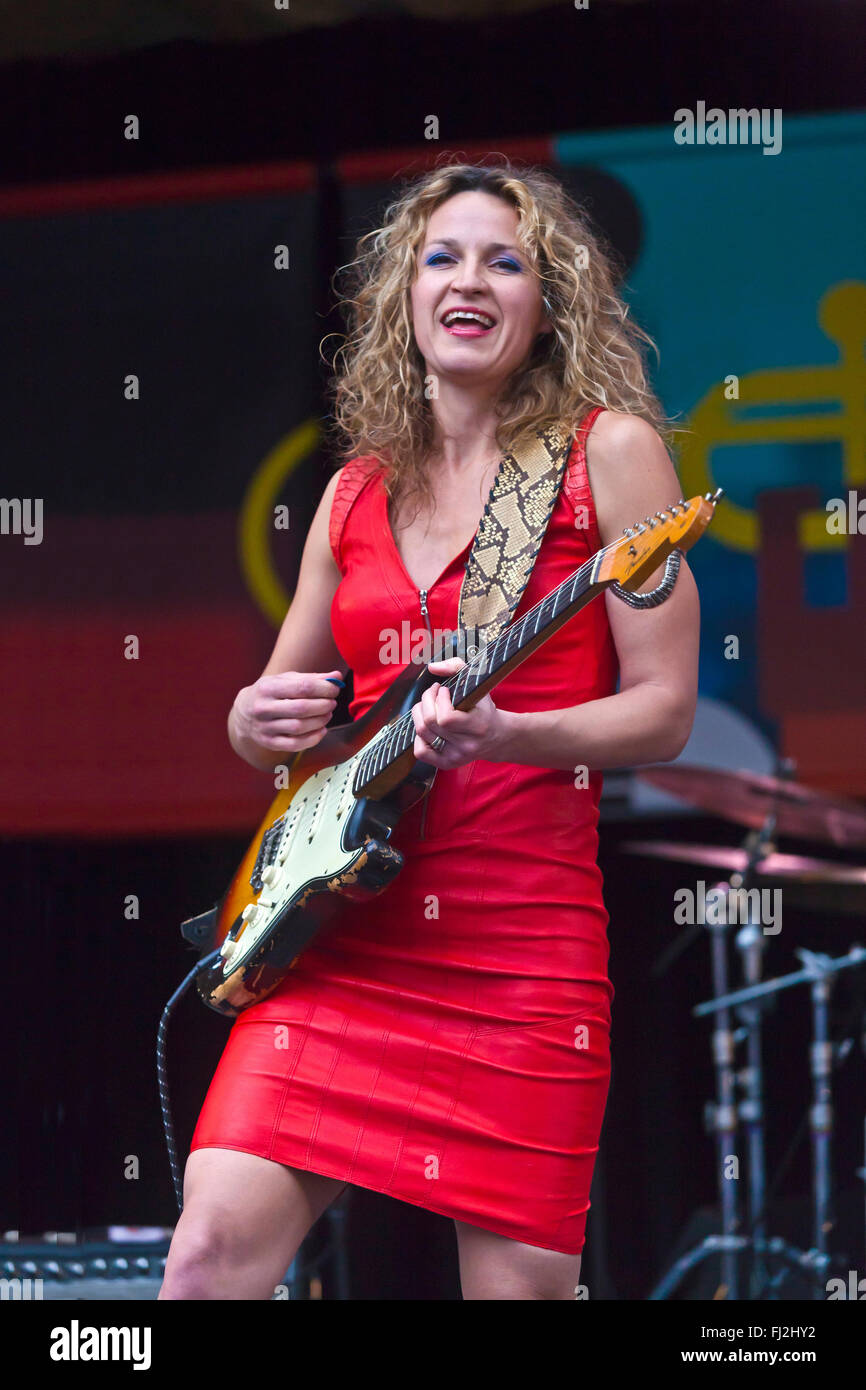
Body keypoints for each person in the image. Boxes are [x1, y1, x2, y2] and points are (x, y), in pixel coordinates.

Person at [159, 161, 699, 1301]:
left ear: (546, 303)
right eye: (441, 257)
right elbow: (274, 719)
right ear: (402, 297)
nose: (470, 279)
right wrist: (251, 719)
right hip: (340, 939)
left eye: (505, 261)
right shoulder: (355, 490)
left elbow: (662, 711)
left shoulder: (609, 454)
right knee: (206, 1258)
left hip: (517, 945)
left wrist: (508, 732)